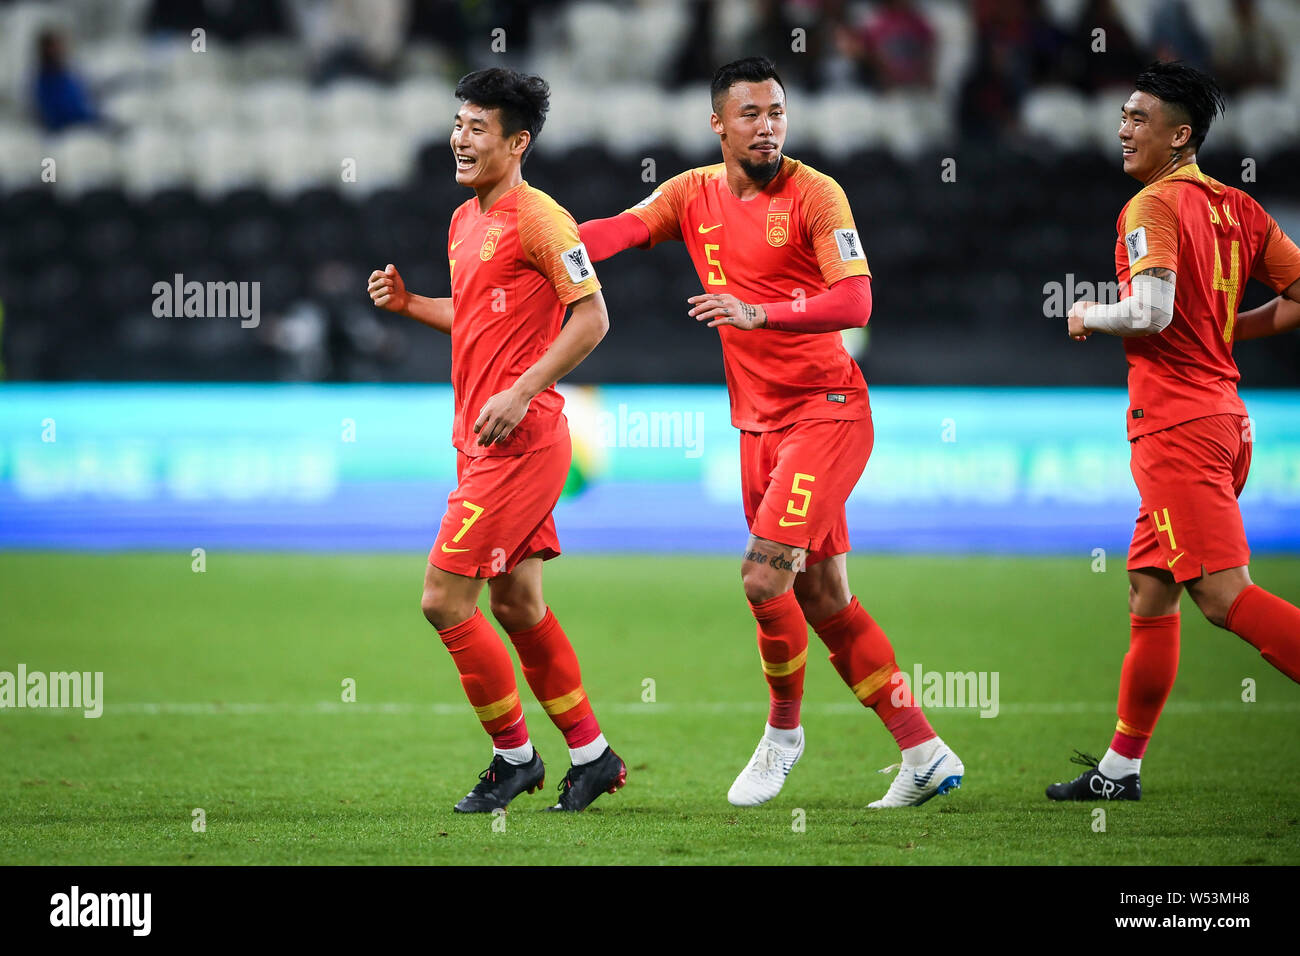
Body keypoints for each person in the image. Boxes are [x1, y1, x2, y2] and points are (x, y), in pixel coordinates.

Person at [579, 56, 963, 809]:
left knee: (763, 578)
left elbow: (856, 302)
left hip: (829, 411)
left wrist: (764, 312)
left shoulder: (817, 193)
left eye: (777, 112)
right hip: (758, 427)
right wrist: (545, 240)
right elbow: (618, 232)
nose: (768, 126)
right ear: (718, 124)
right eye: (751, 113)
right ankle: (924, 751)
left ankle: (783, 735)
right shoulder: (690, 192)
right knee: (824, 598)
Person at [367, 67, 626, 813]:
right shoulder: (464, 220)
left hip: (522, 440)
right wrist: (412, 303)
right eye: (459, 122)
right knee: (516, 605)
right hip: (480, 438)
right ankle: (594, 756)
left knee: (444, 599)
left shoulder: (543, 219)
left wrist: (520, 390)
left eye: (478, 128)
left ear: (517, 143)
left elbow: (592, 318)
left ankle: (514, 757)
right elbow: (480, 316)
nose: (460, 137)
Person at [1050, 60, 1300, 801]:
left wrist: (1087, 314)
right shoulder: (1239, 208)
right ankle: (1120, 771)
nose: (1123, 129)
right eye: (1122, 116)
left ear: (1180, 135)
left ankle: (1121, 770)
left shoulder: (1150, 208)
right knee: (1149, 590)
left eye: (1139, 118)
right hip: (1223, 419)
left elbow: (1151, 314)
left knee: (1224, 597)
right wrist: (1225, 329)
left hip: (1179, 428)